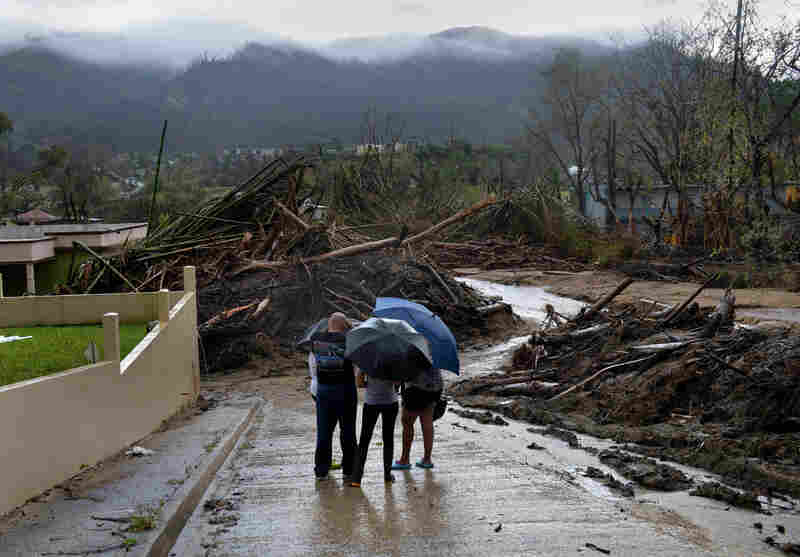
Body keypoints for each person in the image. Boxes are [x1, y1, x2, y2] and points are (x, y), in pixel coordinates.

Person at [310, 312, 357, 481]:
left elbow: (314, 366)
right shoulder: (349, 339)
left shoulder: (315, 339)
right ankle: (349, 469)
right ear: (344, 325)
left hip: (323, 390)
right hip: (345, 390)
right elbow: (356, 362)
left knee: (324, 431)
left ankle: (321, 470)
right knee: (348, 431)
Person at [350, 369, 401, 487]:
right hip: (390, 402)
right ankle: (387, 476)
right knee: (388, 439)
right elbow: (398, 383)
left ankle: (356, 479)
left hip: (371, 402)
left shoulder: (367, 357)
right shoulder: (394, 359)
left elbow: (359, 383)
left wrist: (370, 385)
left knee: (364, 440)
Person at [392, 366, 443, 470]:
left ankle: (404, 460)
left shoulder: (411, 352)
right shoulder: (432, 350)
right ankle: (427, 460)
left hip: (416, 389)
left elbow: (405, 375)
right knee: (427, 420)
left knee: (407, 422)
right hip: (436, 385)